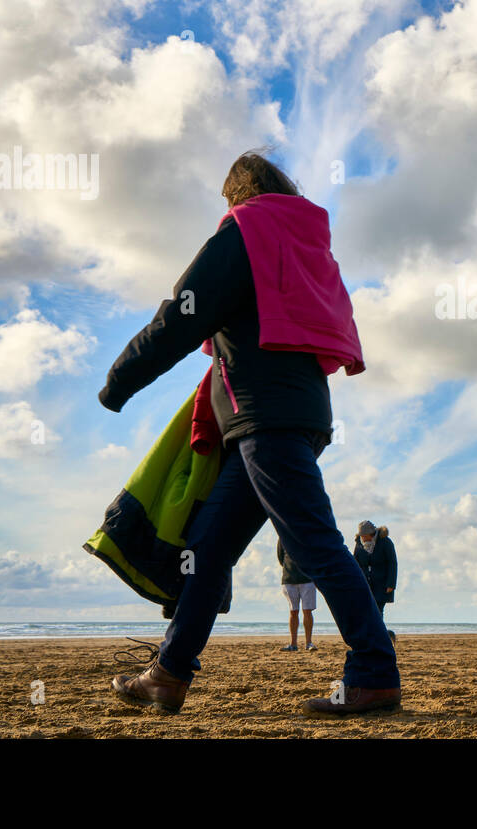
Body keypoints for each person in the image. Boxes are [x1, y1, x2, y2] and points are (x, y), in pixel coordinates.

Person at [102, 150, 400, 716]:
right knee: (209, 549)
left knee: (315, 542)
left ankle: (375, 671)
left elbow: (181, 316)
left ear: (238, 193)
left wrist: (119, 381)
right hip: (296, 416)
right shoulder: (308, 246)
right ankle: (169, 672)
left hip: (266, 419)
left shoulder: (246, 230)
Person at [353, 521, 397, 640]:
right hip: (364, 585)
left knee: (377, 612)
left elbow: (392, 563)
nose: (362, 537)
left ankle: (379, 638)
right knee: (365, 612)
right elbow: (355, 564)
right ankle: (382, 635)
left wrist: (391, 584)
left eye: (364, 535)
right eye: (361, 535)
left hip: (382, 584)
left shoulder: (385, 542)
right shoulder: (359, 544)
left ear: (370, 534)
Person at [278, 538, 317, 652]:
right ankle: (293, 644)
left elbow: (315, 554)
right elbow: (281, 557)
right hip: (289, 578)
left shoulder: (308, 533)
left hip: (307, 578)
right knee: (293, 612)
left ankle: (309, 643)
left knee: (307, 611)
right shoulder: (282, 535)